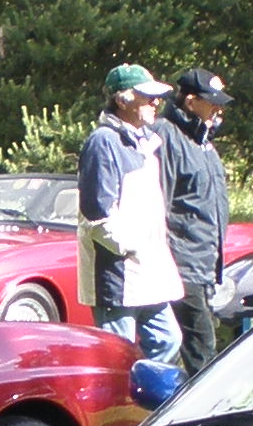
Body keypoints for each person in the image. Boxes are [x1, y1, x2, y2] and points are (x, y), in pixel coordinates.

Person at [78, 63, 182, 362]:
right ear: (122, 100)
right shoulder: (103, 142)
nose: (155, 102)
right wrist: (132, 248)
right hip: (116, 275)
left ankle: (144, 405)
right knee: (117, 356)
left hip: (148, 274)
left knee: (168, 340)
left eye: (156, 96)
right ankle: (122, 407)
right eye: (147, 96)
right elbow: (96, 217)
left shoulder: (144, 142)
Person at [157, 68, 235, 372]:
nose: (219, 108)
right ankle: (197, 417)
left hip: (205, 264)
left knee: (202, 348)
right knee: (201, 353)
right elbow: (158, 204)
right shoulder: (167, 137)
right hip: (182, 264)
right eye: (212, 101)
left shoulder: (204, 142)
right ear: (190, 102)